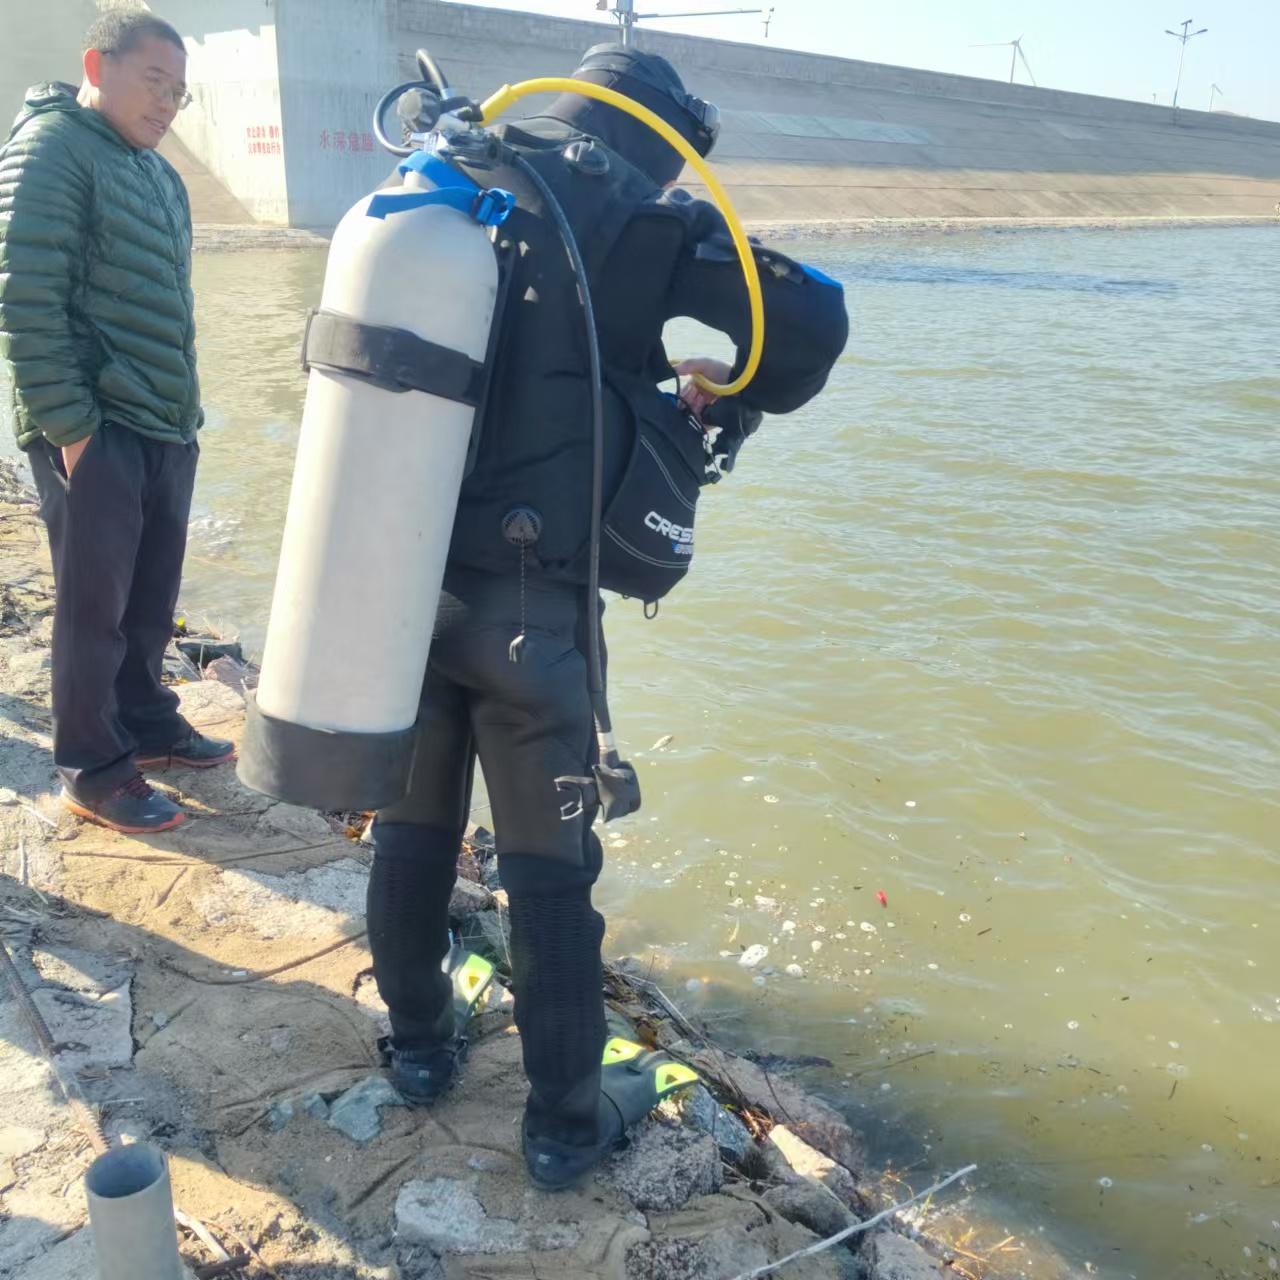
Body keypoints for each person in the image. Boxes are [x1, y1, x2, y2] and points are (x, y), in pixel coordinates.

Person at [365, 43, 849, 1188]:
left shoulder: (452, 176)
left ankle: (420, 1051)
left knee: (411, 836)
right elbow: (812, 321)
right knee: (548, 879)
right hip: (533, 613)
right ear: (661, 139)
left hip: (397, 589)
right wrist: (724, 386)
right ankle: (562, 1125)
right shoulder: (645, 217)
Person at [0, 11, 233, 834]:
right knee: (93, 609)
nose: (167, 103)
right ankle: (93, 768)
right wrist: (73, 427)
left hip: (163, 420)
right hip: (96, 424)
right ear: (97, 67)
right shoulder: (52, 148)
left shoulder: (157, 174)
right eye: (153, 82)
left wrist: (183, 418)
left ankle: (146, 719)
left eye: (179, 92)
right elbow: (25, 297)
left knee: (149, 597)